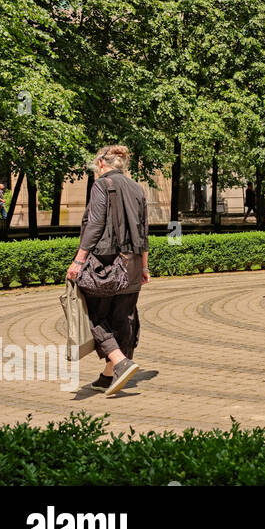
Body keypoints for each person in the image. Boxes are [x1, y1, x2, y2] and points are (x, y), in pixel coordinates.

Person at [65, 145, 150, 396]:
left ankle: (121, 362)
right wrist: (144, 266)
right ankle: (108, 376)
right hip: (132, 262)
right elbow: (144, 232)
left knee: (93, 315)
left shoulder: (102, 185)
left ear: (102, 163)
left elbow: (95, 224)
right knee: (124, 318)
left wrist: (79, 261)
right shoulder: (137, 188)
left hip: (105, 263)